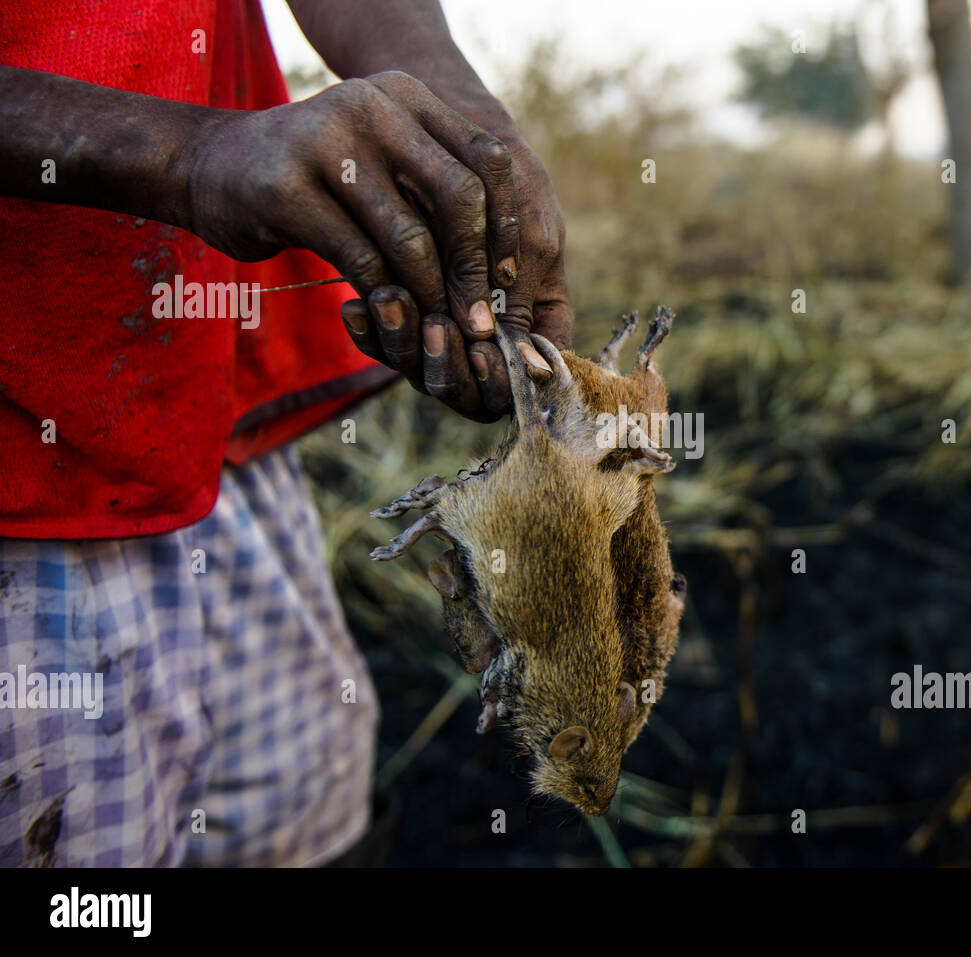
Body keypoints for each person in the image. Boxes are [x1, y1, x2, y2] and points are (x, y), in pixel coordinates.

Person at [0, 0, 572, 866]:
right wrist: (184, 154)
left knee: (303, 810)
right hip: (27, 480)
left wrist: (467, 128)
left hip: (205, 410)